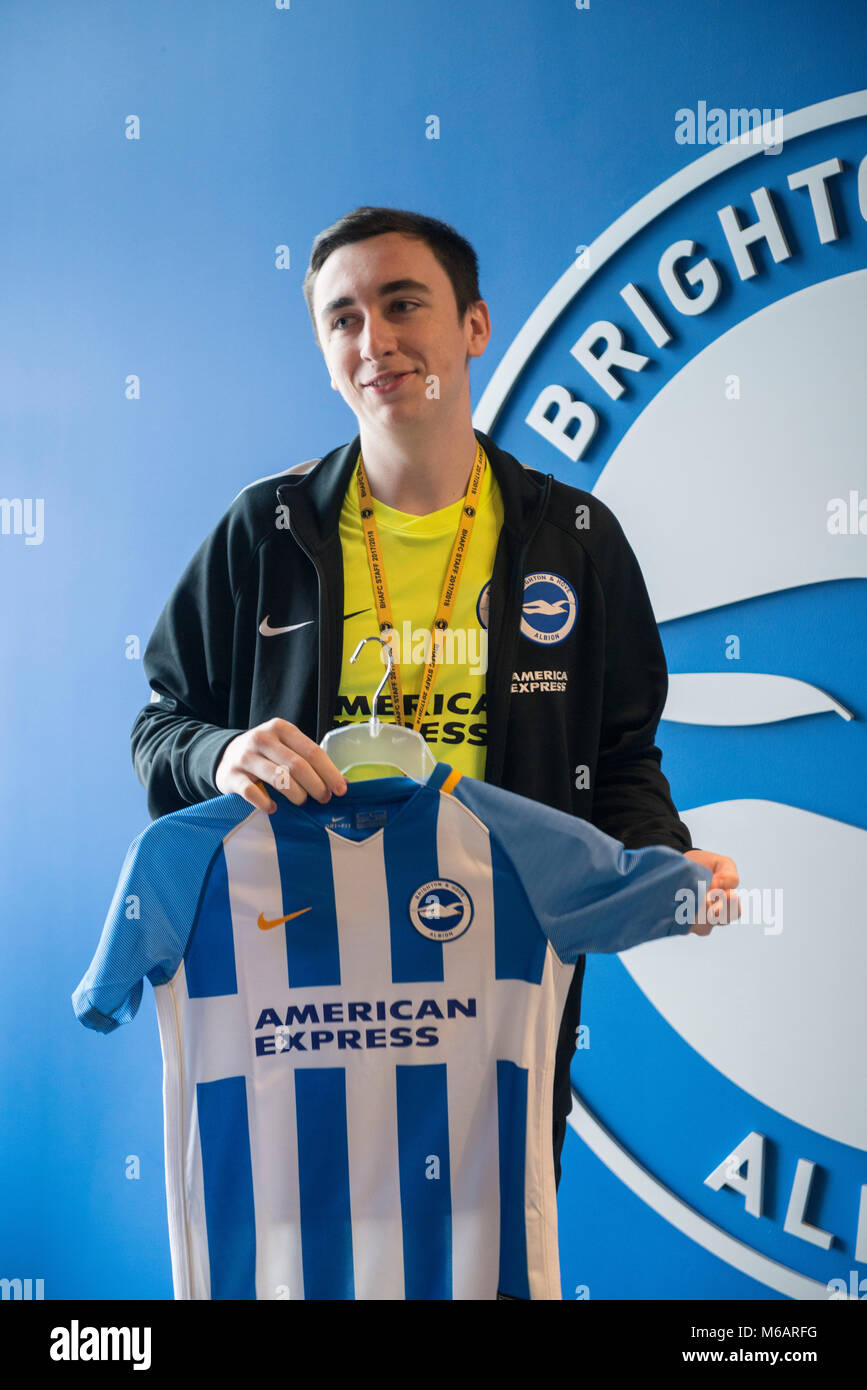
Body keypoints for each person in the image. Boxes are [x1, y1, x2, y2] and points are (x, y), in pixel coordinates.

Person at [131, 205, 739, 1187]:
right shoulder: (266, 529)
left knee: (487, 1262)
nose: (375, 340)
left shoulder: (574, 536)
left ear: (473, 326)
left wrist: (659, 862)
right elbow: (160, 731)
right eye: (343, 317)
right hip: (297, 987)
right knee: (316, 1262)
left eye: (403, 303)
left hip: (499, 982)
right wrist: (224, 754)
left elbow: (623, 753)